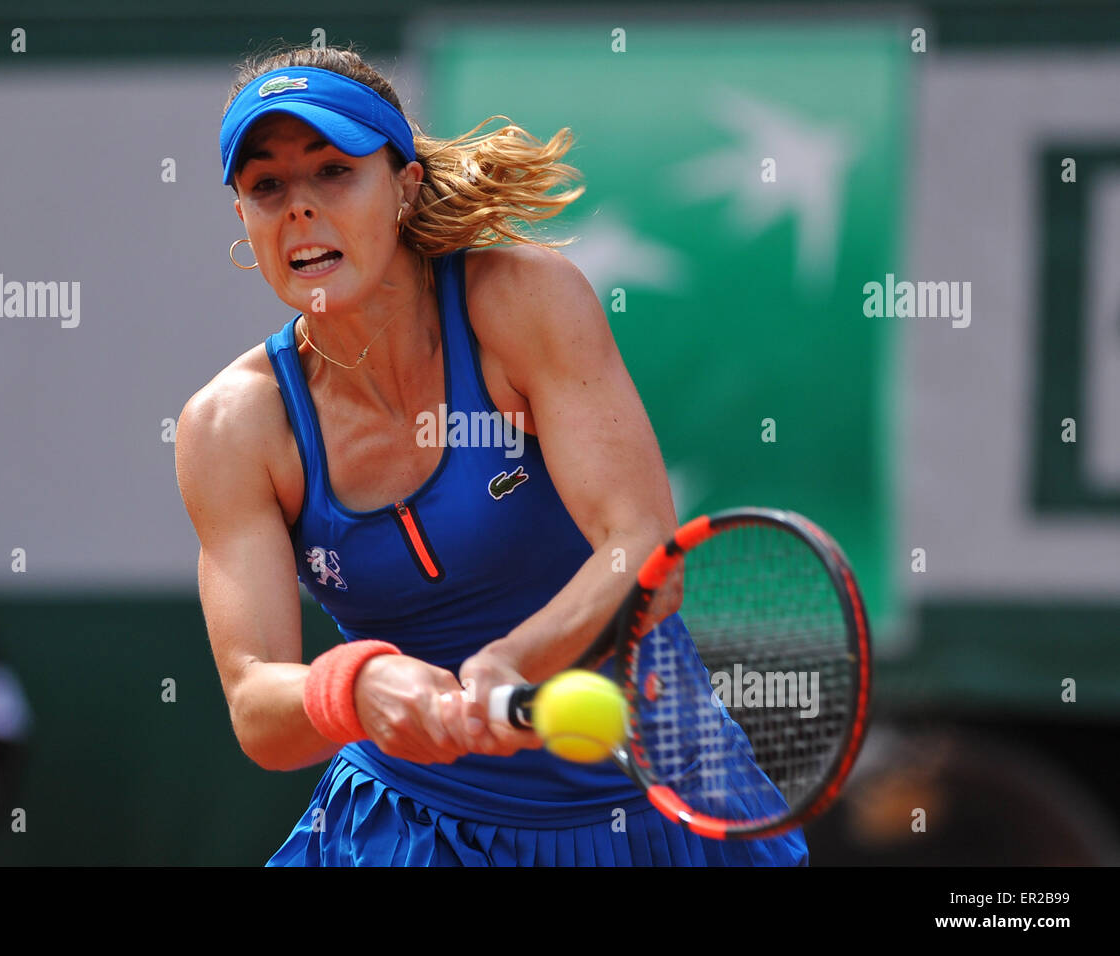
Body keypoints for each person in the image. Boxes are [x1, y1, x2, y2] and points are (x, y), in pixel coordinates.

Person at [176, 42, 807, 866]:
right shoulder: (232, 427)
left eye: (334, 171)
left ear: (402, 186)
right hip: (417, 832)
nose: (299, 208)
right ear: (244, 221)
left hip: (660, 807)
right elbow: (257, 706)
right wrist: (356, 687)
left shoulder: (524, 301)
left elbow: (644, 548)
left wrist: (509, 661)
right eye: (267, 186)